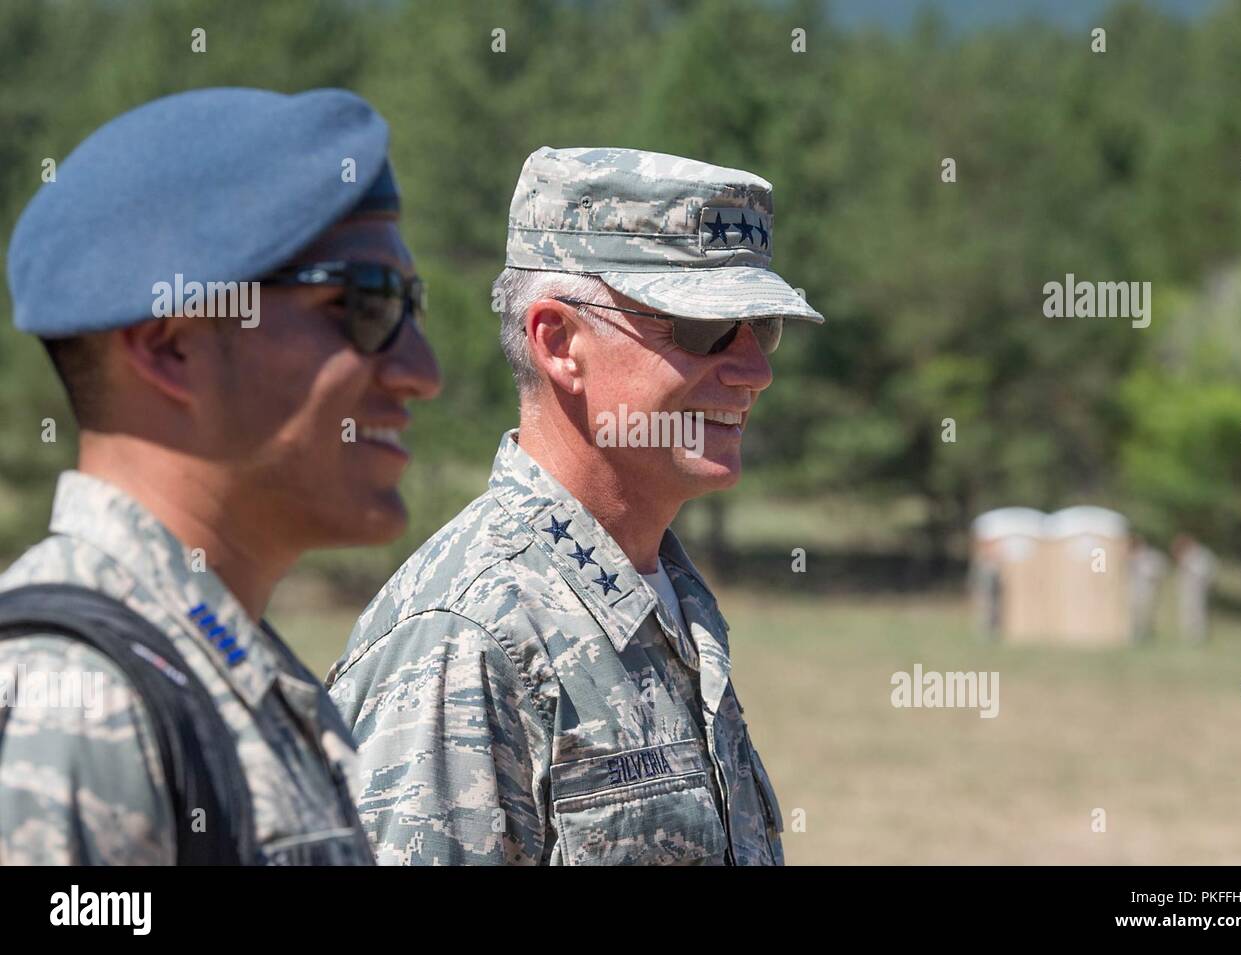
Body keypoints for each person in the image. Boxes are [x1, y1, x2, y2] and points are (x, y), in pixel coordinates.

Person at [328, 146, 823, 865]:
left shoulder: (669, 598)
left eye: (762, 327)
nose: (756, 371)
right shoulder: (467, 637)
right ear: (559, 341)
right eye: (702, 327)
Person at [0, 87, 441, 864]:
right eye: (363, 303)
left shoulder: (224, 674)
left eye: (411, 303)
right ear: (170, 346)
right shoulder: (74, 700)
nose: (420, 372)